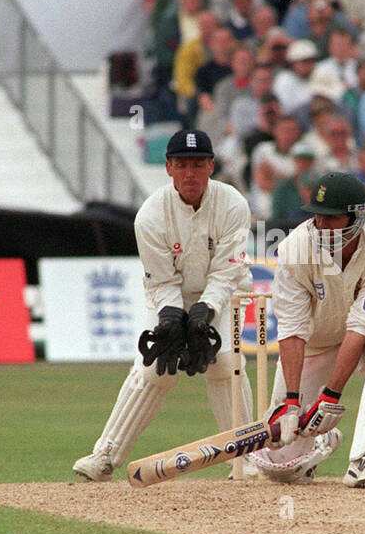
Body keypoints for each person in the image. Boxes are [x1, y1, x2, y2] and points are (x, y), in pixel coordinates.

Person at [73, 130, 254, 481]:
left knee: (224, 361)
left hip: (225, 290)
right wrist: (173, 317)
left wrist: (205, 311)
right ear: (168, 168)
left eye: (198, 164)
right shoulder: (151, 215)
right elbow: (163, 280)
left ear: (211, 166)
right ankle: (105, 455)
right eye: (182, 165)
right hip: (166, 293)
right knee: (156, 367)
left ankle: (244, 459)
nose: (191, 173)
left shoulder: (233, 204)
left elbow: (226, 271)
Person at [246, 172, 365, 488]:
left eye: (333, 219)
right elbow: (291, 329)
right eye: (318, 218)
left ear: (357, 216)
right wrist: (291, 401)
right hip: (314, 345)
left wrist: (331, 395)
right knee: (280, 467)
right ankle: (321, 443)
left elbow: (359, 326)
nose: (322, 226)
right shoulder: (295, 249)